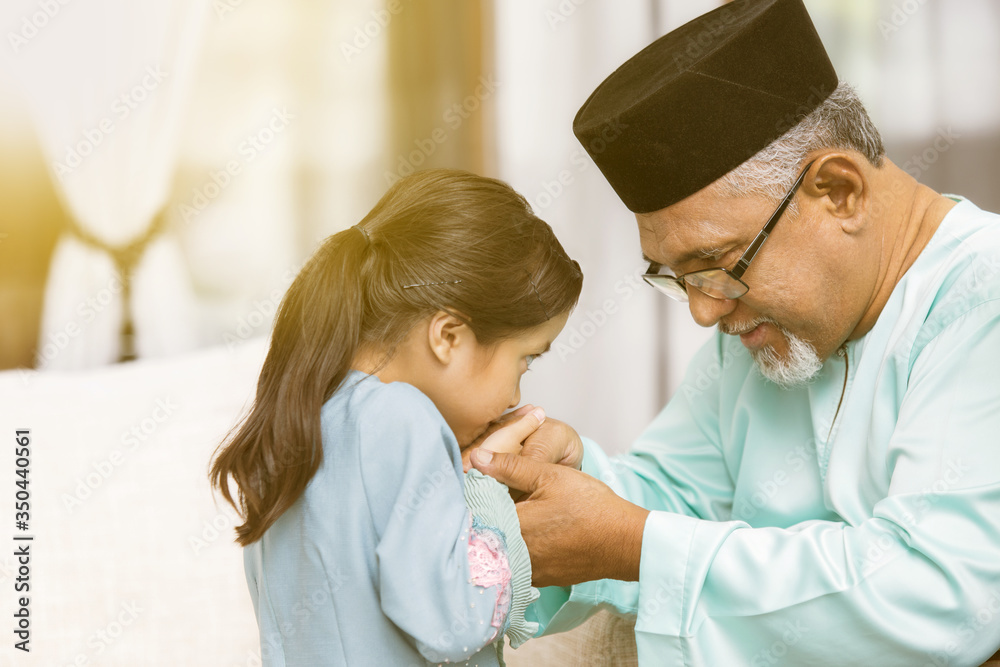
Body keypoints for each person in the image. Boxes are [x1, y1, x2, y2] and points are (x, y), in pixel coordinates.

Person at [469, 1, 1000, 665]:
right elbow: (678, 500)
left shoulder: (983, 298)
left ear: (839, 191)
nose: (703, 313)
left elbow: (935, 596)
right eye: (677, 277)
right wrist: (565, 480)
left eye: (717, 265)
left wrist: (635, 542)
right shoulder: (757, 329)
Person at [209, 169, 584, 666]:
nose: (517, 395)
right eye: (525, 359)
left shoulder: (297, 422)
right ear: (447, 336)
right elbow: (455, 626)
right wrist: (485, 483)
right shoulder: (405, 419)